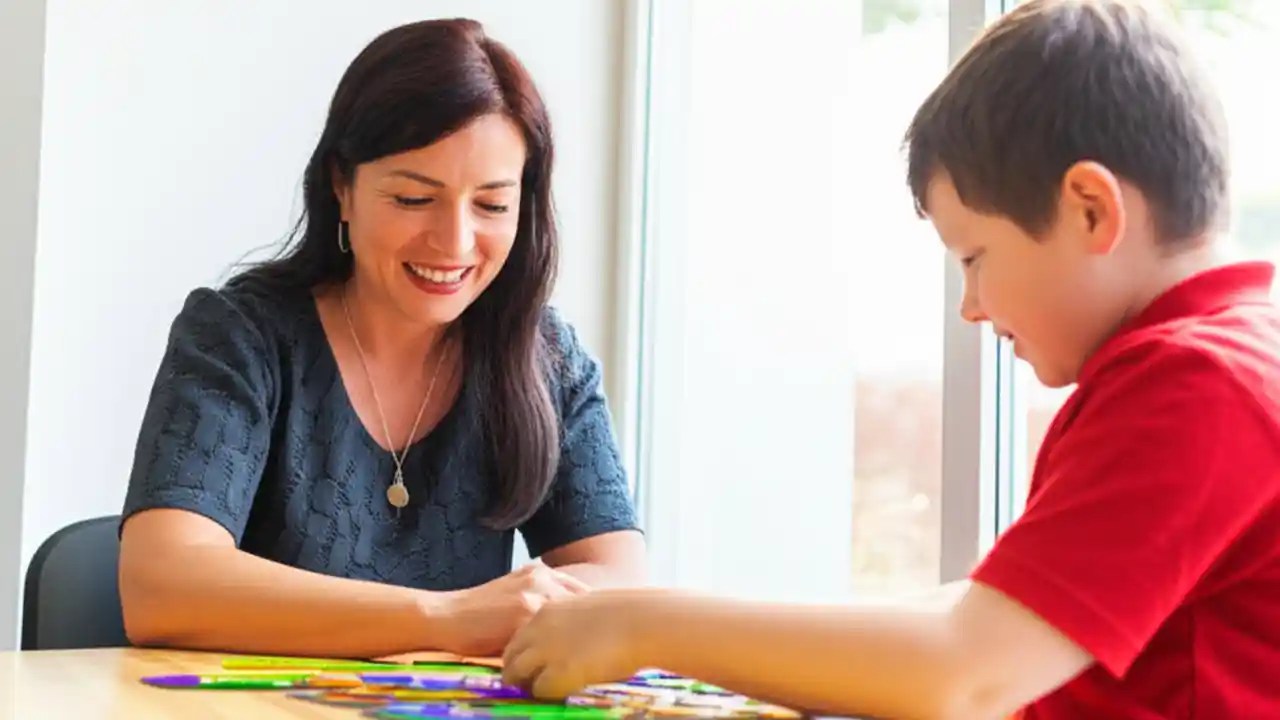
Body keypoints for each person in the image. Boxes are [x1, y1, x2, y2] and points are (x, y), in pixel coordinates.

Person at [501, 1, 1280, 717]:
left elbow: (965, 672)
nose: (971, 307)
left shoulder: (1196, 384)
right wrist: (651, 618)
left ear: (1090, 209)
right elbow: (981, 611)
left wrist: (648, 626)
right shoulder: (1235, 355)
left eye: (973, 257)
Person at [117, 17, 645, 660]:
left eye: (492, 205)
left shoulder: (547, 360)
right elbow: (161, 587)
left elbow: (622, 585)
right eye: (414, 199)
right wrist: (445, 618)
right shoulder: (239, 338)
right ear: (343, 186)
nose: (454, 243)